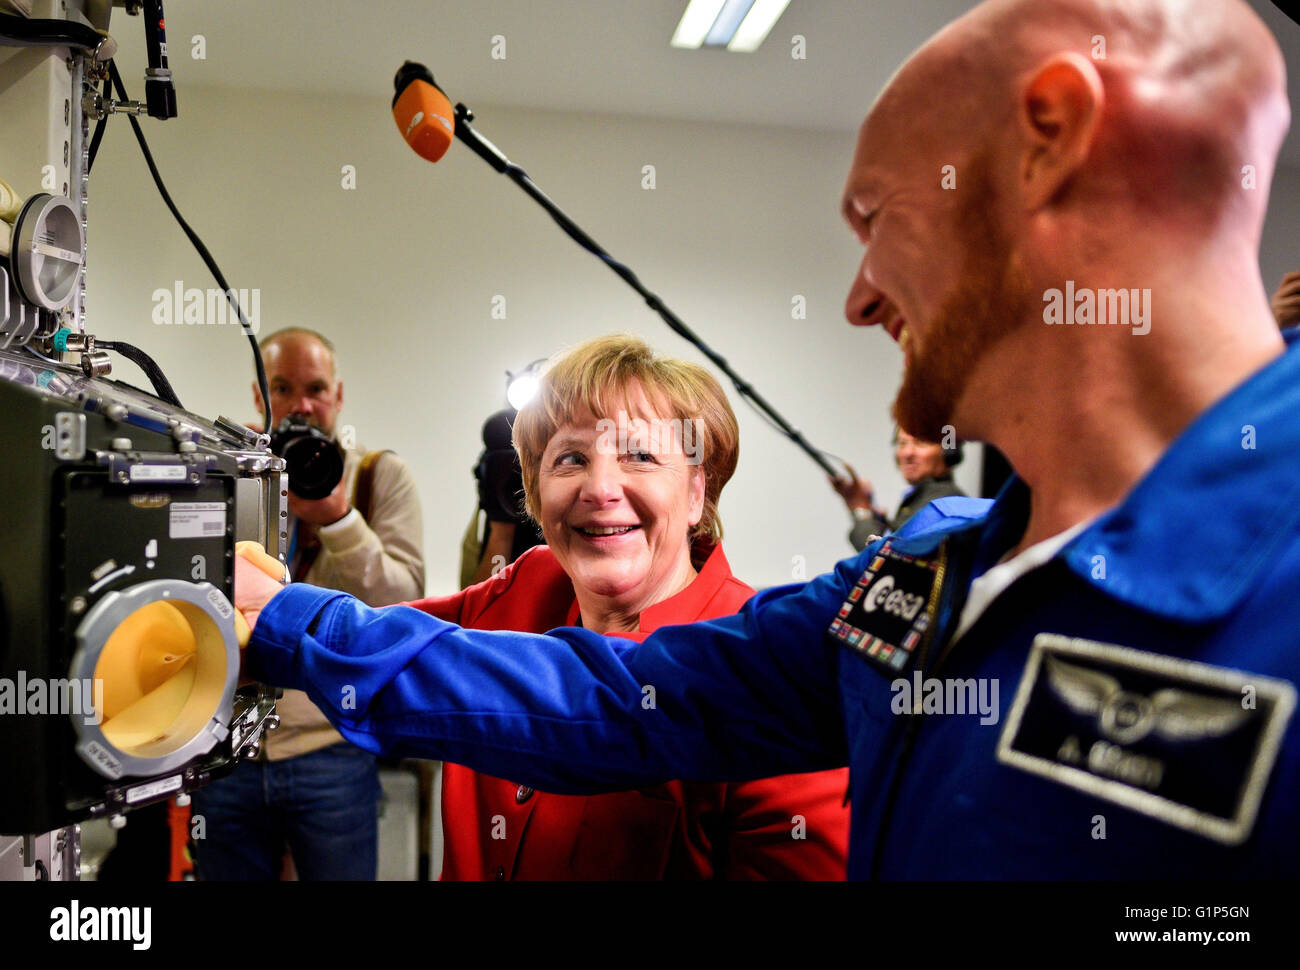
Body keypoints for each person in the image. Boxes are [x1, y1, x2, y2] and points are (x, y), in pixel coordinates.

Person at [237, 0, 1299, 878]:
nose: (855, 299)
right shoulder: (923, 576)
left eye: (874, 218)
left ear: (1052, 138)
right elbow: (618, 700)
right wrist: (280, 618)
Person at [417, 334, 847, 879]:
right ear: (534, 491)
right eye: (570, 458)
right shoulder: (528, 583)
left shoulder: (766, 665)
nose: (600, 488)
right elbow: (381, 641)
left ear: (696, 494)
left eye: (640, 456)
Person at [193, 327, 425, 881]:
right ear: (258, 397)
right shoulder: (230, 471)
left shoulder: (378, 476)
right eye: (282, 388)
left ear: (338, 397)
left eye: (316, 389)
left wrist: (339, 520)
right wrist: (233, 473)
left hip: (333, 748)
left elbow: (407, 605)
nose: (301, 406)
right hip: (226, 749)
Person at [831, 427, 966, 550]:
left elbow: (885, 557)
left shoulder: (945, 502)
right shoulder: (925, 496)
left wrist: (860, 509)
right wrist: (876, 518)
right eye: (902, 443)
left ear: (949, 452)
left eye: (920, 443)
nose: (907, 453)